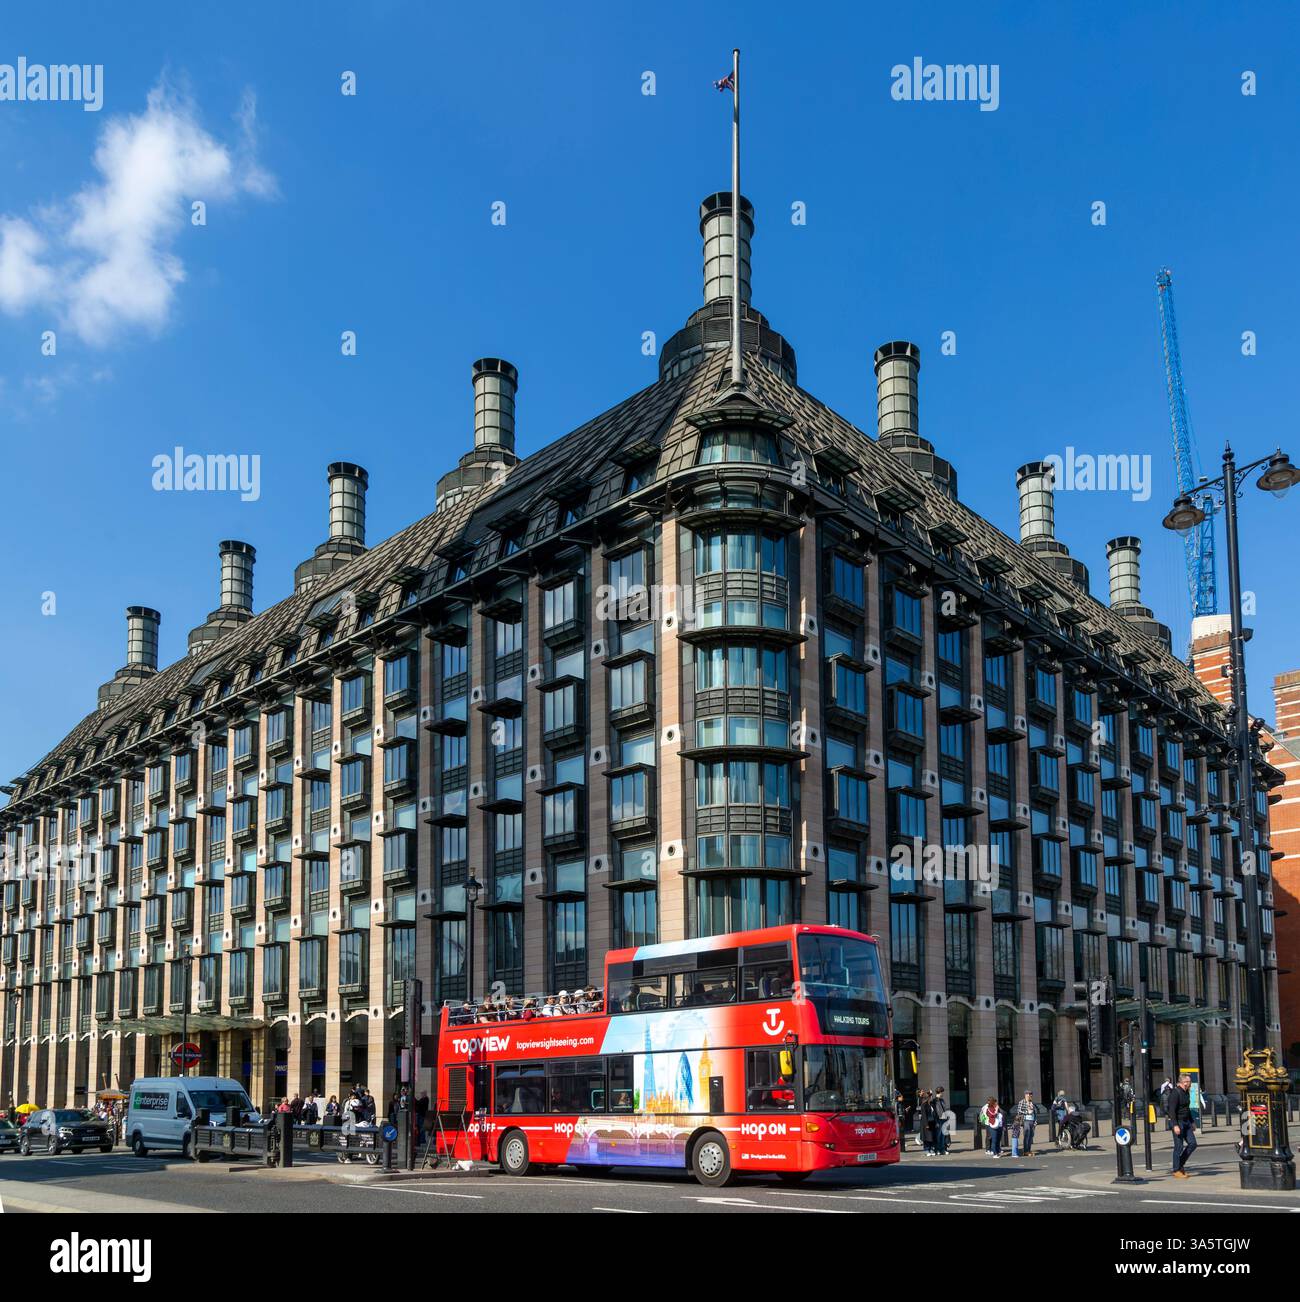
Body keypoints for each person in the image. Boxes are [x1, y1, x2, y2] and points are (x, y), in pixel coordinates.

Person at [1166, 1073, 1197, 1178]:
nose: (1190, 1084)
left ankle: (1180, 1165)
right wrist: (1175, 1125)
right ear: (1184, 1082)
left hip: (1186, 1122)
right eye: (1189, 1082)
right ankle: (1176, 1170)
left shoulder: (1186, 1092)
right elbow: (1171, 1111)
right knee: (1178, 1146)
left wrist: (1192, 1122)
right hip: (1178, 1122)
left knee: (1193, 1144)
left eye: (1190, 1082)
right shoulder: (1175, 1093)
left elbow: (1187, 1109)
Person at [1014, 1090, 1037, 1156]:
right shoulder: (1022, 1102)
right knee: (1027, 1135)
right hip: (1026, 1120)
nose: (1031, 1096)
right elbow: (1019, 1111)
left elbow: (1034, 1113)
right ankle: (1025, 1151)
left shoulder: (1032, 1103)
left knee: (1031, 1136)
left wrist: (1035, 1121)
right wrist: (1027, 1112)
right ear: (1026, 1095)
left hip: (1032, 1121)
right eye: (1029, 1094)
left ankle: (1029, 1150)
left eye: (1031, 1094)